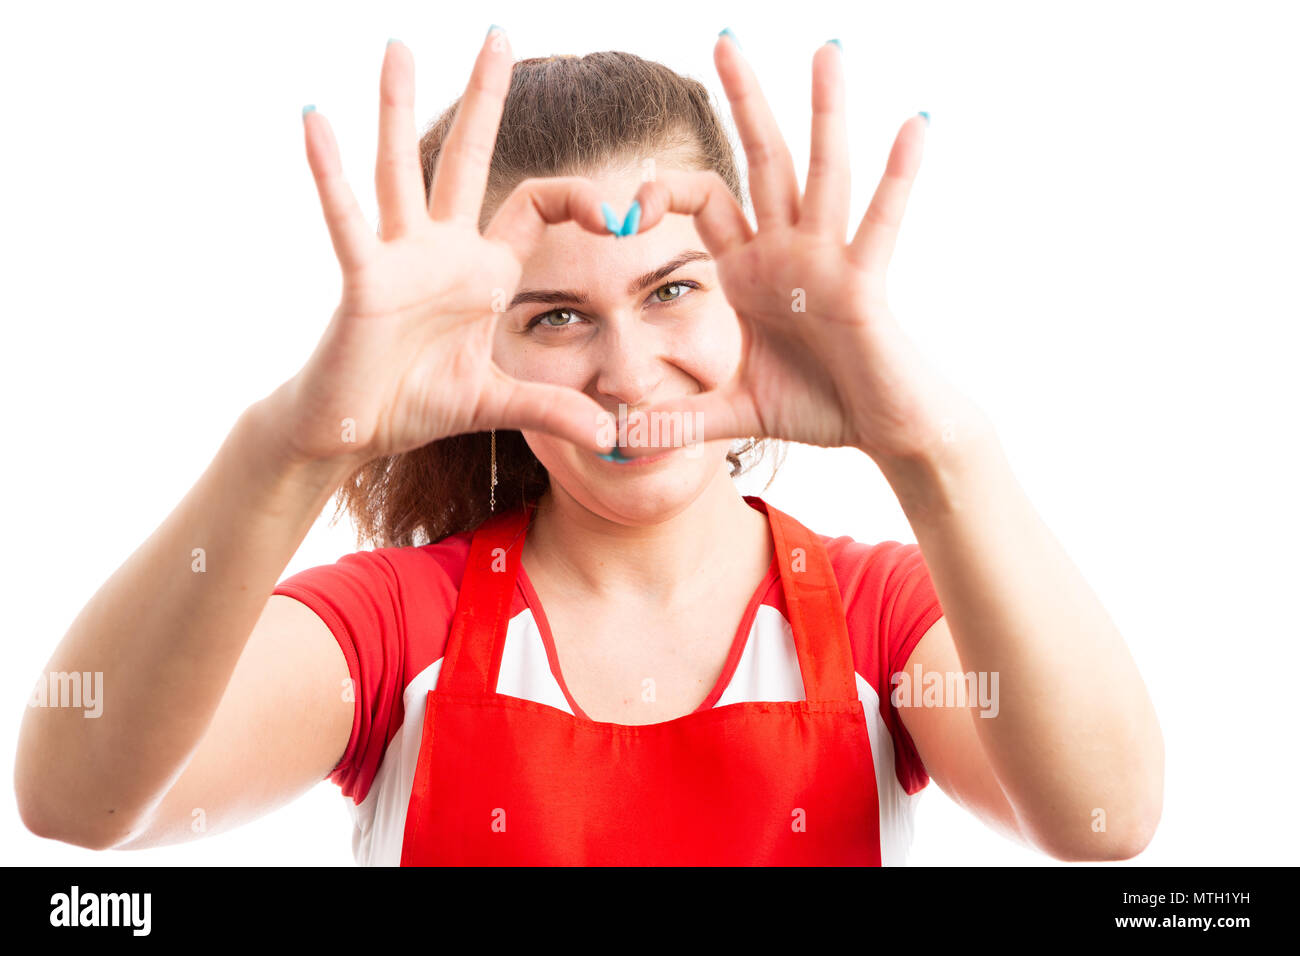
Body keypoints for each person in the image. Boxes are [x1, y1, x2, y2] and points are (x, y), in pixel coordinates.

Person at [16, 26, 1163, 865]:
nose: (624, 372)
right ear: (482, 346)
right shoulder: (399, 627)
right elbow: (74, 798)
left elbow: (1106, 818)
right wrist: (288, 448)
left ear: (746, 305)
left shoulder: (879, 616)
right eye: (554, 316)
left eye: (671, 289)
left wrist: (933, 448)